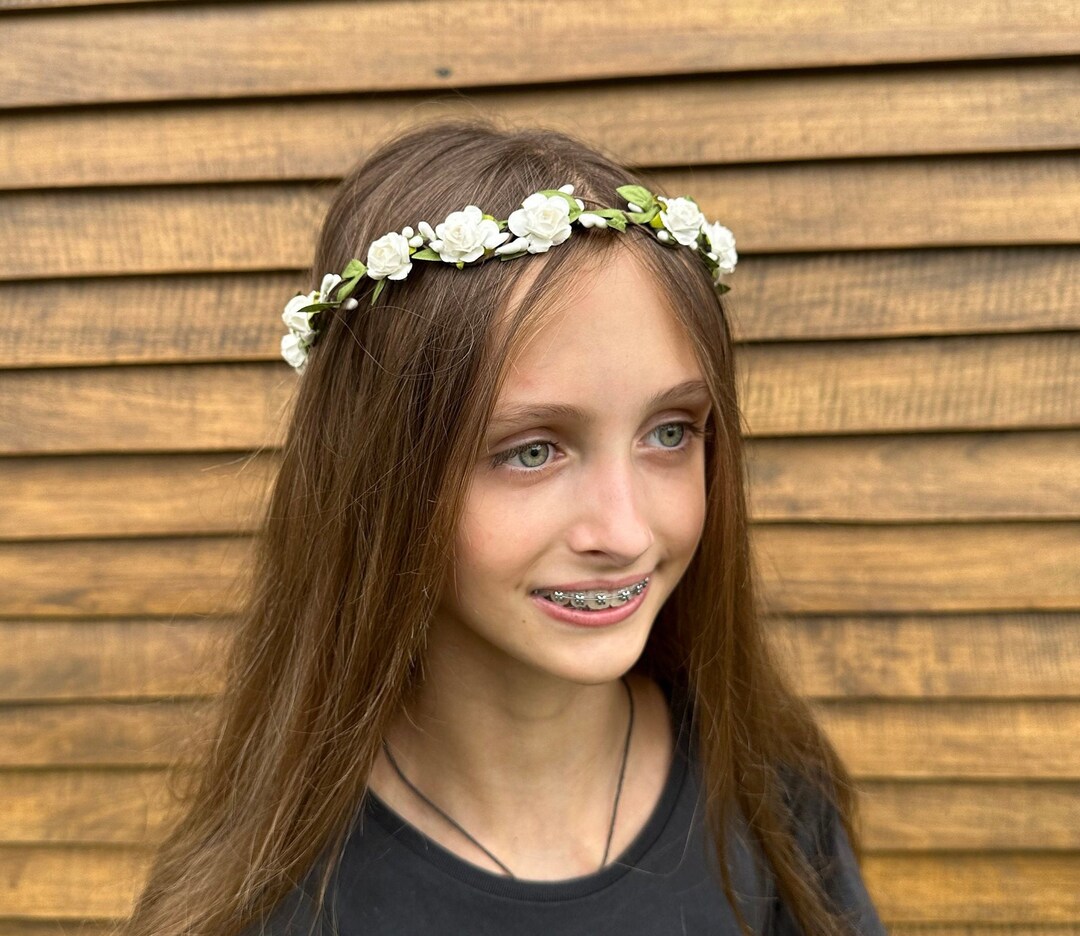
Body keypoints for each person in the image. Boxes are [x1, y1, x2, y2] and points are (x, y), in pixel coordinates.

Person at [119, 118, 887, 936]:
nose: (624, 531)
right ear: (382, 478)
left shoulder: (770, 802)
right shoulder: (275, 902)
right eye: (532, 451)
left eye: (669, 433)